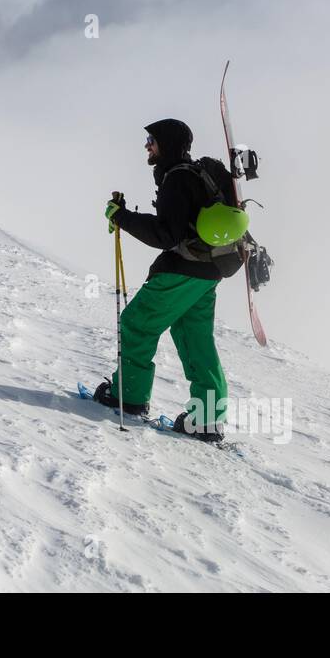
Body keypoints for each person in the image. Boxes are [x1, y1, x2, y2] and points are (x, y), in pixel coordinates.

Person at [95, 118, 235, 442]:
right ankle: (206, 419)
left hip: (182, 270)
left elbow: (166, 234)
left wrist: (123, 218)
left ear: (167, 144)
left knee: (137, 324)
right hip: (208, 273)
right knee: (195, 339)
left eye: (152, 140)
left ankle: (128, 398)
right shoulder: (197, 176)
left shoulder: (177, 178)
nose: (147, 145)